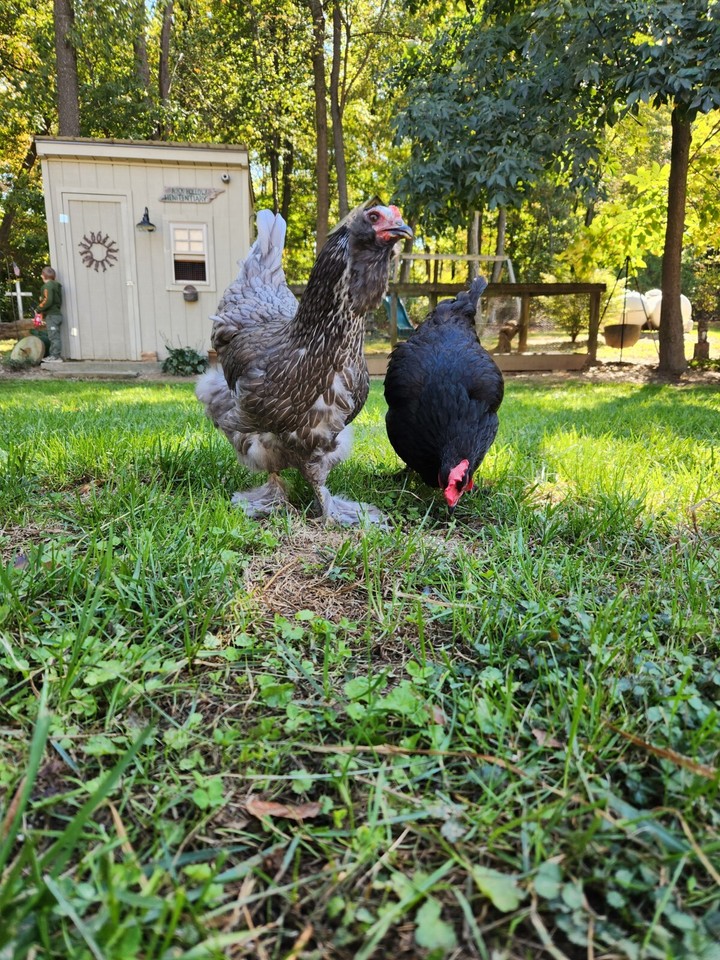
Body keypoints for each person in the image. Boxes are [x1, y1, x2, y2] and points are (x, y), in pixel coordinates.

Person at [37, 266, 64, 363]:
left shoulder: (47, 286)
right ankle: (53, 355)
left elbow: (48, 300)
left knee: (53, 337)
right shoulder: (56, 286)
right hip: (56, 315)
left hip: (52, 316)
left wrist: (38, 309)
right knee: (54, 336)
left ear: (43, 276)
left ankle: (55, 357)